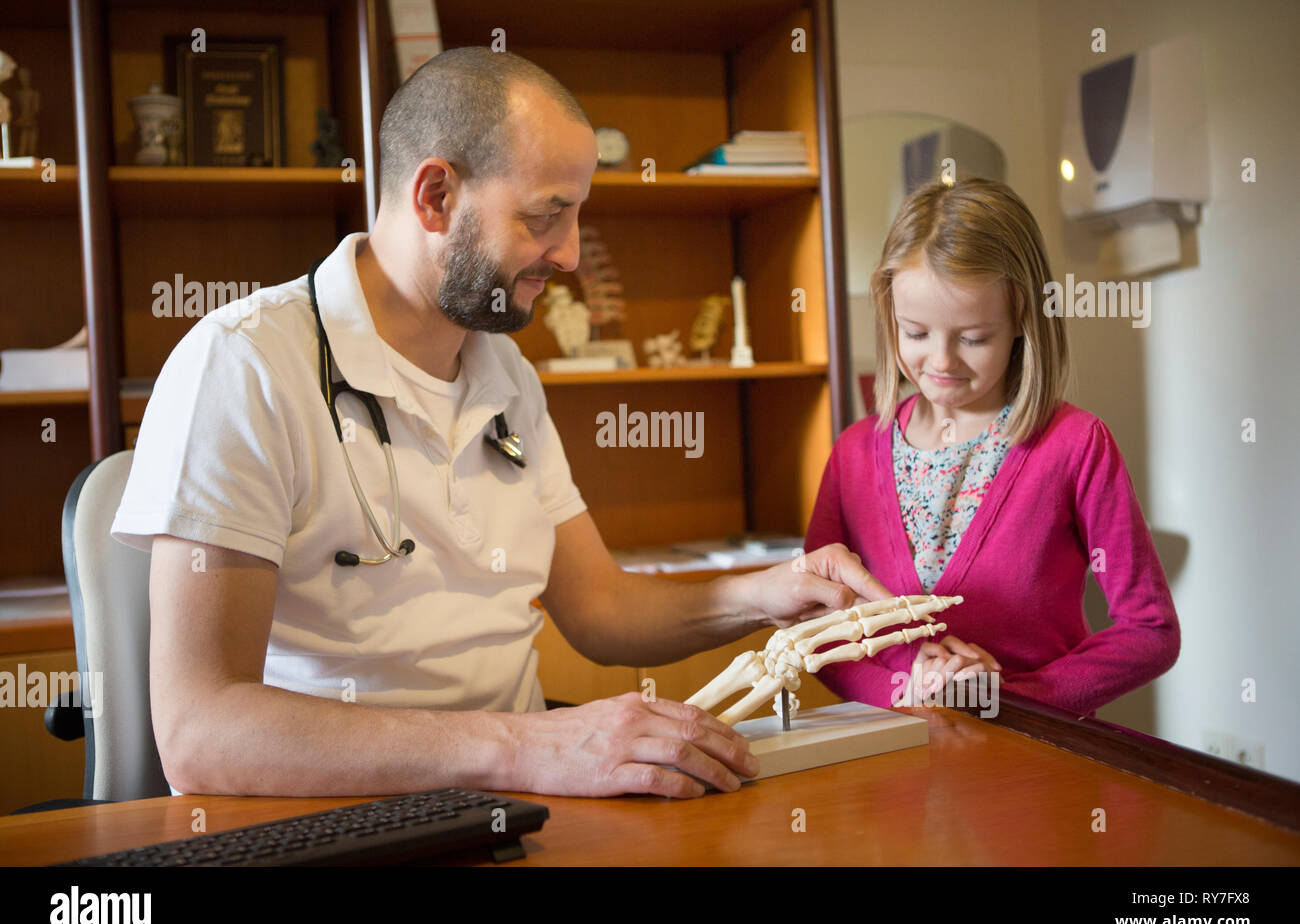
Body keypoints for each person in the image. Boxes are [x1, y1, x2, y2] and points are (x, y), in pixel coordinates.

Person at [110, 47, 890, 801]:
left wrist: (772, 593)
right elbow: (201, 729)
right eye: (547, 216)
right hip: (334, 818)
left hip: (515, 801)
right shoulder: (244, 366)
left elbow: (602, 611)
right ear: (435, 197)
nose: (573, 255)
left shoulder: (505, 374)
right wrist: (526, 747)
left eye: (577, 215)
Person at [804, 177, 1180, 717]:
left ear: (1023, 318)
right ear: (889, 314)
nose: (941, 362)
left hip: (1038, 768)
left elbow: (1151, 630)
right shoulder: (853, 454)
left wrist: (1007, 698)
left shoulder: (1076, 445)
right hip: (896, 771)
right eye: (915, 333)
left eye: (974, 338)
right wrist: (905, 686)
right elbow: (819, 630)